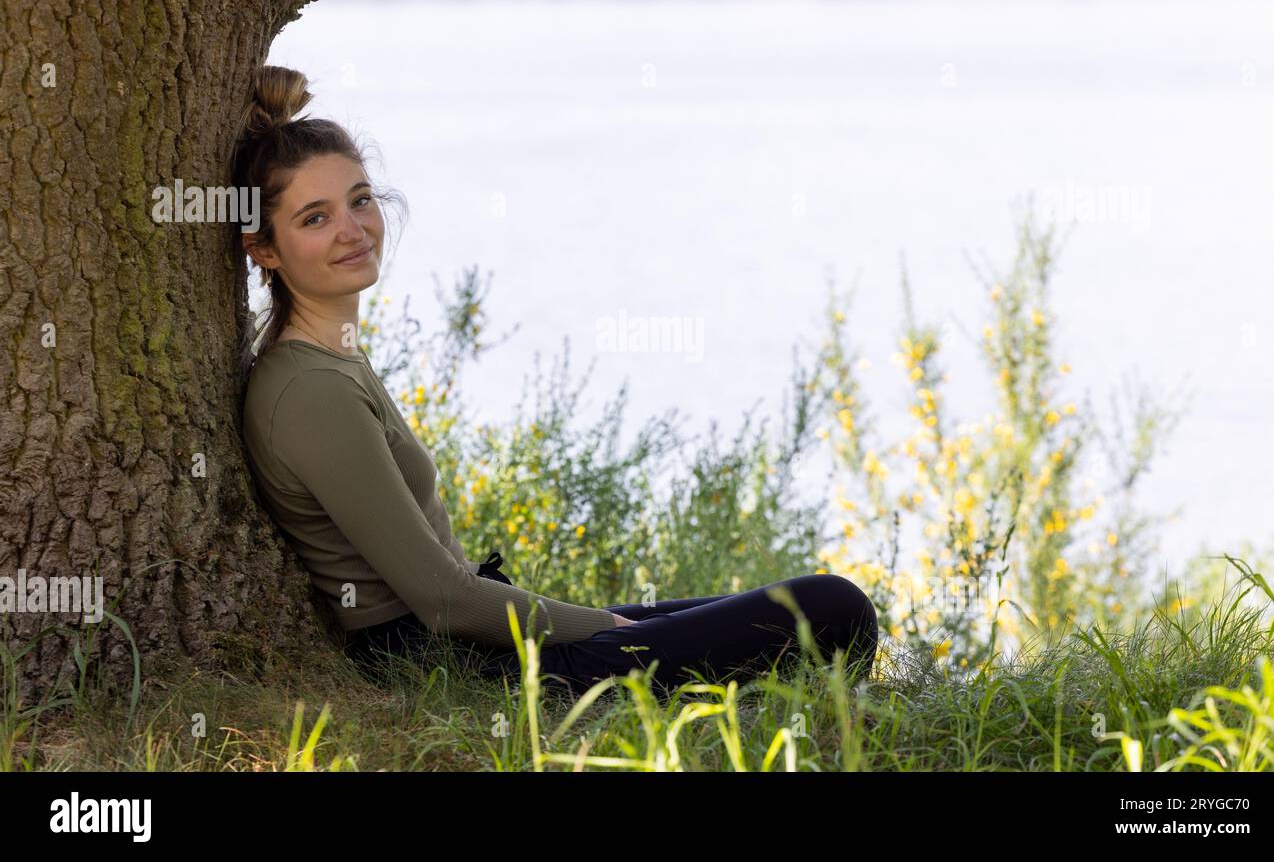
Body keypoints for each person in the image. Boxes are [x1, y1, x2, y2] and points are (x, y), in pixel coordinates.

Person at [233, 64, 879, 698]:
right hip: (456, 663)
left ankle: (752, 699)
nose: (353, 230)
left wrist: (610, 626)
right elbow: (443, 598)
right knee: (831, 607)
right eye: (314, 218)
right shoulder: (309, 389)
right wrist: (606, 628)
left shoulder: (332, 356)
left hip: (472, 641)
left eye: (360, 201)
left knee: (773, 607)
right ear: (263, 248)